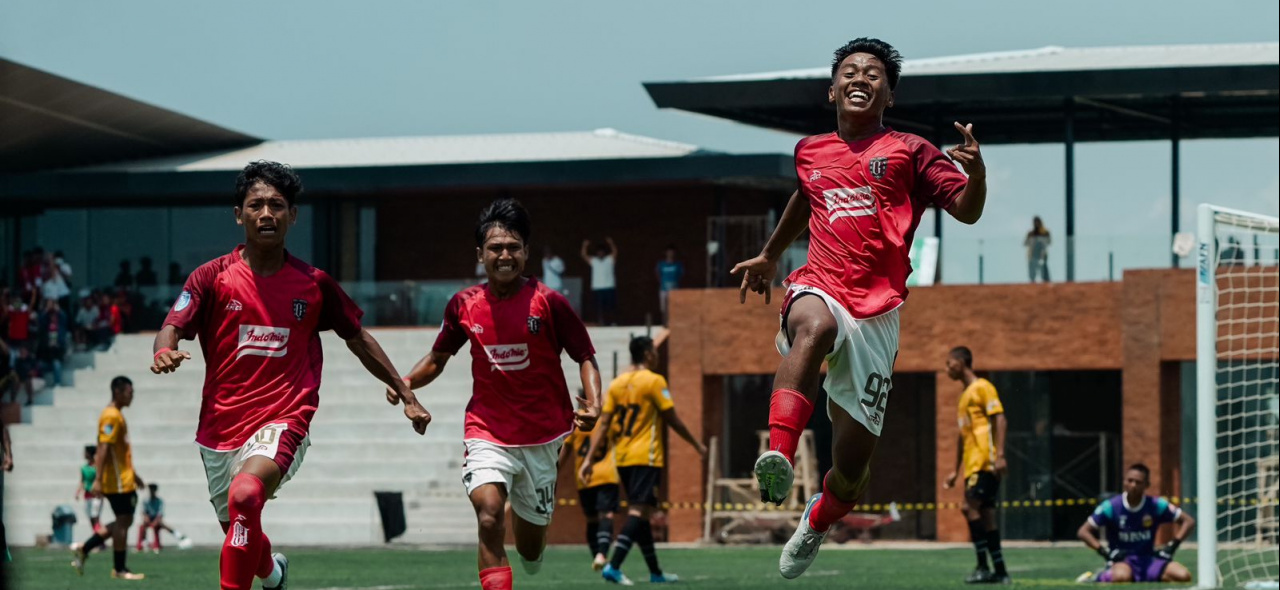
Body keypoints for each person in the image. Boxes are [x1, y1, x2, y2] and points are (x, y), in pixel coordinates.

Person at [731, 37, 987, 580]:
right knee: (813, 325)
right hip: (819, 285)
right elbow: (807, 194)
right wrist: (770, 254)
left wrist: (978, 172)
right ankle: (778, 453)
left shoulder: (911, 151)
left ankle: (820, 518)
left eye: (874, 73)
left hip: (877, 316)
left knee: (851, 473)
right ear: (832, 90)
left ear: (887, 94)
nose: (861, 77)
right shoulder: (811, 151)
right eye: (851, 70)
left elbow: (966, 211)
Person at [149, 160, 430, 590]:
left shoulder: (313, 284)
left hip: (285, 418)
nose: (266, 214)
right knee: (240, 526)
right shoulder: (211, 277)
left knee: (245, 496)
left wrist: (404, 391)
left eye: (277, 205)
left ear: (292, 215)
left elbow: (357, 338)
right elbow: (172, 325)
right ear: (238, 214)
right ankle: (274, 574)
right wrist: (165, 350)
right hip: (220, 426)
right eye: (256, 204)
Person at [395, 198, 601, 590]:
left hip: (542, 437)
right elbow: (438, 358)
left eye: (513, 248)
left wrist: (595, 403)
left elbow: (585, 355)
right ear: (480, 254)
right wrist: (405, 385)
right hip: (487, 432)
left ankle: (533, 549)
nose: (504, 255)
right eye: (495, 248)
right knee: (489, 515)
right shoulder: (463, 305)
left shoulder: (549, 302)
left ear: (526, 252)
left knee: (529, 547)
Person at [580, 336, 707, 585]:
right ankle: (614, 566)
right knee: (639, 511)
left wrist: (588, 459)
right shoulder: (654, 381)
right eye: (653, 352)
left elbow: (603, 424)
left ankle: (655, 573)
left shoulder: (617, 384)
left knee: (644, 514)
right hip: (646, 457)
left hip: (624, 458)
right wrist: (695, 444)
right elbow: (673, 419)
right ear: (648, 353)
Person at [942, 346, 1010, 584]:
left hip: (986, 461)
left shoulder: (983, 387)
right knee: (987, 515)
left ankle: (983, 566)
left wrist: (1000, 454)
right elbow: (962, 437)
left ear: (961, 362)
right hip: (973, 465)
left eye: (949, 364)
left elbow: (1000, 418)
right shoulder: (964, 397)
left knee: (968, 507)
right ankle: (1000, 571)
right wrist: (954, 470)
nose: (947, 368)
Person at [70, 376, 145, 580]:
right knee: (123, 521)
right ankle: (119, 569)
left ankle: (85, 549)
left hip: (124, 478)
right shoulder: (111, 415)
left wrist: (135, 475)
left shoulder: (116, 414)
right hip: (118, 482)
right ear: (118, 392)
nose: (132, 395)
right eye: (130, 391)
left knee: (124, 520)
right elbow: (103, 448)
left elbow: (119, 453)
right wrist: (98, 479)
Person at [1075, 464, 1195, 584]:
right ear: (1124, 482)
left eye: (1138, 482)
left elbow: (1188, 521)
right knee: (1122, 577)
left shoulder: (1155, 505)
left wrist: (1171, 547)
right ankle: (1098, 577)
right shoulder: (1111, 506)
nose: (1133, 485)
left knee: (1183, 576)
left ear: (1146, 485)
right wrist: (1104, 552)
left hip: (1149, 559)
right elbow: (1083, 532)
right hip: (1122, 560)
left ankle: (1145, 575)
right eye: (1130, 480)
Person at [558, 419, 620, 572]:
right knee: (606, 515)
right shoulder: (607, 421)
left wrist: (553, 473)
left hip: (583, 478)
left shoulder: (576, 425)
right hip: (606, 475)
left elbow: (564, 450)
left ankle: (596, 557)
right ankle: (602, 554)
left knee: (591, 519)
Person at [136, 483, 188, 553]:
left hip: (156, 520)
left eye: (153, 490)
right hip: (148, 519)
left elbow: (160, 515)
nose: (151, 491)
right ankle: (143, 543)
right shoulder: (145, 501)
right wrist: (147, 520)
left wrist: (155, 522)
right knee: (142, 525)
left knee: (161, 524)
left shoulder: (159, 501)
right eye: (150, 490)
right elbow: (143, 513)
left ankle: (179, 536)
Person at [580, 237, 617, 325]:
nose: (600, 253)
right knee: (598, 307)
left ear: (604, 252)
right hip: (597, 287)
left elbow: (615, 252)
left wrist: (611, 243)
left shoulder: (609, 259)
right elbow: (584, 255)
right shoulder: (594, 261)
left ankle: (611, 322)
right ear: (597, 253)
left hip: (609, 286)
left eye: (602, 252)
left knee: (610, 307)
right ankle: (601, 322)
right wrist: (585, 246)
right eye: (599, 252)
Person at [36, 297, 69, 389]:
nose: (53, 317)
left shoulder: (60, 324)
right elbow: (40, 320)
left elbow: (64, 317)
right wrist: (47, 309)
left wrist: (57, 309)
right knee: (39, 365)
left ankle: (57, 383)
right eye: (51, 316)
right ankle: (41, 383)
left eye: (54, 315)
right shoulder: (45, 325)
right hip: (46, 355)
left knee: (57, 364)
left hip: (57, 354)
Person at [75, 444, 105, 536]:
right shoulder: (84, 468)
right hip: (87, 495)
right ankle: (100, 539)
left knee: (95, 517)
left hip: (96, 495)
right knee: (91, 519)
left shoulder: (97, 467)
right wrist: (78, 492)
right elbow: (82, 481)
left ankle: (100, 538)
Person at [655, 245, 683, 326]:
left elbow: (680, 275)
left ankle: (674, 323)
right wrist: (662, 282)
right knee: (664, 308)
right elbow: (657, 274)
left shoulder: (678, 264)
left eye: (672, 253)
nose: (670, 254)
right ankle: (664, 324)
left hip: (674, 290)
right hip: (664, 288)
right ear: (666, 253)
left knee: (674, 308)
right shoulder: (661, 264)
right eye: (669, 253)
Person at [1024, 216, 1050, 282]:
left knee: (1043, 273)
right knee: (1032, 274)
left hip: (1042, 255)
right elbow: (1026, 243)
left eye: (1037, 222)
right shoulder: (1031, 233)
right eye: (1035, 222)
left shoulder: (1045, 233)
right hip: (1032, 255)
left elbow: (1049, 242)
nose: (1036, 224)